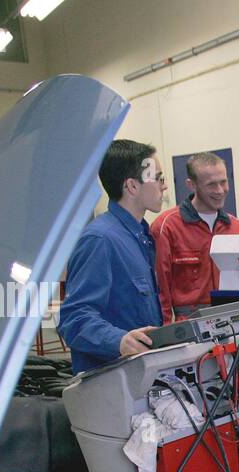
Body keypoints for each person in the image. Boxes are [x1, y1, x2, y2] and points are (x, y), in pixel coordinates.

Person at [59, 139, 167, 373]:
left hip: (142, 375)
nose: (164, 186)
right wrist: (119, 341)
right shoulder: (101, 240)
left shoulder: (141, 236)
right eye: (158, 178)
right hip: (112, 382)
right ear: (132, 186)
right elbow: (74, 319)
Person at [151, 151, 239, 322]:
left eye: (223, 182)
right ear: (191, 185)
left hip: (234, 328)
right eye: (211, 184)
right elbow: (160, 291)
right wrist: (165, 336)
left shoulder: (238, 228)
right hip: (189, 332)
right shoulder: (166, 227)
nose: (219, 190)